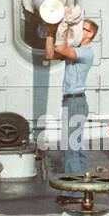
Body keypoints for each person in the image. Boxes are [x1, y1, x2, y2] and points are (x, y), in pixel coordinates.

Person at [44, 11, 98, 175]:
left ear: (91, 35)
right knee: (77, 145)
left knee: (70, 146)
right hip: (72, 101)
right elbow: (50, 54)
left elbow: (60, 47)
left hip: (75, 102)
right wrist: (50, 33)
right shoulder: (75, 51)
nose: (81, 30)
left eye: (84, 28)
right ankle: (82, 184)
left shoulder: (85, 52)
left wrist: (63, 25)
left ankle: (72, 193)